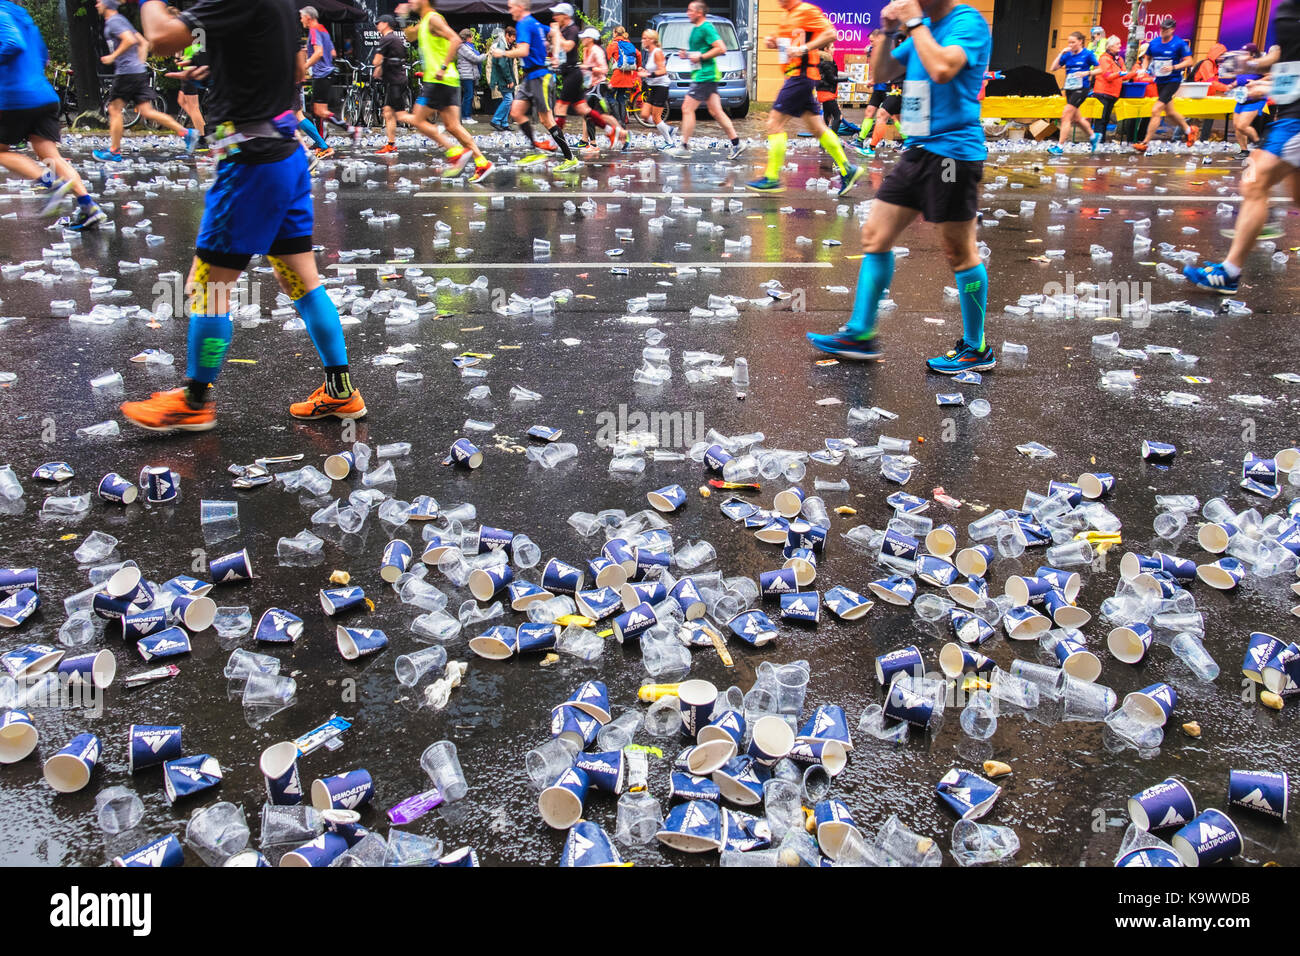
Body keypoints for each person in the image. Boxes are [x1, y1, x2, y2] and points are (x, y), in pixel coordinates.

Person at [121, 0, 365, 433]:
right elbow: (295, 72)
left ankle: (195, 401)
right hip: (285, 155)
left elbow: (158, 37)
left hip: (249, 163)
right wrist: (224, 68)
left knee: (208, 284)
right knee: (303, 281)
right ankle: (341, 392)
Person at [806, 0, 995, 375]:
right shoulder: (921, 26)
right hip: (918, 151)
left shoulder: (966, 22)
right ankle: (861, 332)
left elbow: (942, 68)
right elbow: (883, 71)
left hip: (952, 155)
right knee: (875, 235)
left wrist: (911, 22)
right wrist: (888, 30)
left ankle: (977, 347)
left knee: (958, 251)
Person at [1184, 15, 1300, 296]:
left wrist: (1273, 86)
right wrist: (1257, 70)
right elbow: (1288, 57)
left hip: (1295, 119)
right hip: (1288, 115)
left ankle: (1230, 272)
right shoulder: (1288, 10)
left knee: (1254, 183)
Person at [0, 0, 105, 230]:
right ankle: (88, 207)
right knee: (50, 156)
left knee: (0, 152)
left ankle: (52, 184)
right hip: (43, 94)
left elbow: (12, 43)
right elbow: (42, 55)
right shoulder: (21, 14)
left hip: (15, 97)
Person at [747, 0, 860, 194]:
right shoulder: (786, 15)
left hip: (800, 76)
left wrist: (804, 49)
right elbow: (787, 42)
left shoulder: (806, 10)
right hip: (798, 76)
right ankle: (847, 169)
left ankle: (772, 178)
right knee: (818, 128)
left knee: (774, 123)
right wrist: (773, 42)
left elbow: (831, 33)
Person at [393, 0, 493, 183]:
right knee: (453, 126)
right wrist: (402, 18)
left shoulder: (433, 19)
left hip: (438, 80)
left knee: (416, 119)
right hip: (447, 80)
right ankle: (482, 161)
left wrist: (442, 67)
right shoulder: (425, 22)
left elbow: (455, 39)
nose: (410, 2)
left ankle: (454, 152)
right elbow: (409, 36)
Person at [91, 0, 195, 162]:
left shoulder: (114, 21)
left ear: (107, 4)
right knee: (147, 112)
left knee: (114, 109)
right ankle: (187, 133)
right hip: (136, 72)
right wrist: (139, 64)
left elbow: (130, 40)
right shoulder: (122, 20)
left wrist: (113, 56)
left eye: (99, 2)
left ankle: (114, 151)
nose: (96, 5)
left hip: (126, 73)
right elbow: (143, 42)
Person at [491, 0, 577, 169]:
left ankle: (570, 158)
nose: (509, 10)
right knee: (516, 112)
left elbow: (523, 51)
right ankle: (536, 149)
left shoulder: (524, 24)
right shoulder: (535, 23)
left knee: (547, 120)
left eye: (511, 7)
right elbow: (554, 31)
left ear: (520, 7)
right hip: (530, 77)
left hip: (539, 76)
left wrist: (503, 53)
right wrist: (556, 53)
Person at [666, 1, 742, 159]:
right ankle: (737, 143)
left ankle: (684, 146)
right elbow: (699, 52)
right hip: (703, 75)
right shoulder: (696, 29)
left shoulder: (707, 27)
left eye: (690, 10)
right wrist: (686, 54)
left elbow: (721, 48)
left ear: (699, 12)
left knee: (687, 108)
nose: (688, 13)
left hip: (705, 76)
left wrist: (700, 56)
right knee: (716, 111)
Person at [550, 5, 625, 153]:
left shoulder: (572, 30)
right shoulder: (584, 48)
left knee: (561, 108)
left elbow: (568, 47)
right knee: (584, 110)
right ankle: (611, 132)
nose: (554, 17)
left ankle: (557, 145)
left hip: (593, 84)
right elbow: (560, 52)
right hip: (583, 81)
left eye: (557, 14)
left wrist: (556, 33)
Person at [1134, 16, 1196, 152]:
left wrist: (1174, 67)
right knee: (1170, 112)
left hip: (1173, 80)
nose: (1162, 30)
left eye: (1165, 29)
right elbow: (1147, 57)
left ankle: (1145, 142)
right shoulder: (1154, 43)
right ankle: (1189, 130)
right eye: (1161, 28)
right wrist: (1144, 69)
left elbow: (1189, 61)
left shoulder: (1179, 44)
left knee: (1156, 110)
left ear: (1172, 29)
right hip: (1160, 80)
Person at [301, 7, 360, 146]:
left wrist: (305, 66)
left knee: (320, 111)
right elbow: (332, 52)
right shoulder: (323, 29)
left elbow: (319, 52)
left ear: (308, 17)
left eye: (302, 17)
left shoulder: (314, 30)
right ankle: (321, 138)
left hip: (321, 74)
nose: (300, 20)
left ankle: (350, 129)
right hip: (327, 72)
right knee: (317, 110)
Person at [1047, 31, 1098, 154]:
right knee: (1077, 118)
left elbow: (1100, 69)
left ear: (1080, 41)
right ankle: (1093, 136)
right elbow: (1053, 68)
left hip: (1082, 89)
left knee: (1065, 116)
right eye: (1069, 42)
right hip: (1069, 89)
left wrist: (1087, 73)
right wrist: (1060, 53)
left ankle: (1059, 147)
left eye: (1073, 42)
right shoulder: (1067, 55)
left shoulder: (1087, 54)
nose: (1070, 45)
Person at [167, 27, 208, 151]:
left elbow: (179, 47)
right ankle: (202, 127)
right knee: (181, 100)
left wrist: (178, 56)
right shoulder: (197, 29)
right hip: (191, 68)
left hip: (188, 70)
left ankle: (203, 137)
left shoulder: (183, 30)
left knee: (193, 106)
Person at [372, 14, 407, 154]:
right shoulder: (396, 39)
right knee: (388, 112)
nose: (376, 25)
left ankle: (431, 130)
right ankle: (391, 144)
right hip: (396, 80)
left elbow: (376, 61)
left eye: (378, 23)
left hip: (395, 82)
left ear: (386, 24)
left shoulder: (386, 39)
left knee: (401, 115)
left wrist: (377, 66)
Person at [637, 28, 674, 143]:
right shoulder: (650, 53)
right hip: (652, 87)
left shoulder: (657, 52)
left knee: (656, 117)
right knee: (644, 114)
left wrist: (648, 74)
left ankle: (669, 142)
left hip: (661, 87)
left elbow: (663, 70)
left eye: (645, 38)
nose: (642, 41)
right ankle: (669, 129)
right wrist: (644, 71)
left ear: (652, 40)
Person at [1087, 34, 1126, 145]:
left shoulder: (1118, 59)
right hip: (1103, 92)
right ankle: (1097, 143)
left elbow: (1124, 74)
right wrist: (1119, 73)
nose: (1120, 46)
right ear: (1110, 47)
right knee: (1101, 119)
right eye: (1117, 44)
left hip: (1113, 93)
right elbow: (1108, 76)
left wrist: (1135, 73)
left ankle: (1101, 142)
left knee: (1105, 119)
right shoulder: (1104, 58)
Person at [1229, 44, 1265, 157]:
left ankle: (1259, 144)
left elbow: (1271, 76)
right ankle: (1244, 151)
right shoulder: (1242, 66)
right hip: (1242, 99)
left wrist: (1257, 83)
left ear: (1253, 54)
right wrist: (1231, 85)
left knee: (1242, 126)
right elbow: (1240, 80)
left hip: (1255, 99)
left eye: (1245, 54)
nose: (1242, 56)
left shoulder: (1259, 65)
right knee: (1236, 125)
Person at [606, 25, 640, 129]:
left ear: (615, 33)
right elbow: (638, 54)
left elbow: (606, 57)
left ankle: (618, 120)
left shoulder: (614, 44)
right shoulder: (629, 44)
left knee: (609, 96)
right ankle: (623, 122)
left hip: (617, 76)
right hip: (628, 76)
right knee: (621, 97)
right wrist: (638, 67)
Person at [489, 26, 518, 130]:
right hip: (503, 79)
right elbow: (503, 64)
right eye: (513, 36)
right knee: (508, 99)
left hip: (505, 78)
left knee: (508, 99)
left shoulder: (507, 45)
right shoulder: (501, 45)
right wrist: (509, 80)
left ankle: (504, 123)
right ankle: (496, 120)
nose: (514, 39)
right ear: (507, 35)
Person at [457, 29, 486, 123]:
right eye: (471, 36)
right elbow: (475, 58)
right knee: (468, 96)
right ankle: (466, 117)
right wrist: (486, 55)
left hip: (469, 74)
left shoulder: (467, 46)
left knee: (468, 95)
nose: (472, 38)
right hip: (466, 75)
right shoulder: (463, 47)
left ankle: (465, 116)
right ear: (467, 37)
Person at [817, 44, 843, 135]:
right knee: (838, 116)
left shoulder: (822, 60)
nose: (834, 49)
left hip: (824, 93)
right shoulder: (827, 62)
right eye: (832, 47)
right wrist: (846, 79)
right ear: (825, 49)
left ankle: (824, 143)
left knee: (827, 117)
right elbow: (832, 79)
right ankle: (833, 141)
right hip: (827, 94)